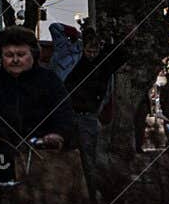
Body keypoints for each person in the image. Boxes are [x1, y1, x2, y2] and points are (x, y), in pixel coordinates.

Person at [0, 25, 75, 171]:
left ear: (33, 54)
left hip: (41, 158)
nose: (15, 60)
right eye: (9, 55)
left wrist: (58, 134)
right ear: (0, 56)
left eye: (21, 54)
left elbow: (64, 114)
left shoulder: (49, 81)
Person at [49, 22, 126, 191]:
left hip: (88, 116)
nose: (91, 55)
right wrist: (74, 33)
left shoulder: (103, 64)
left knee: (90, 159)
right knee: (61, 154)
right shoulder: (69, 53)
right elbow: (54, 28)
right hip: (65, 115)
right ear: (82, 47)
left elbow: (120, 58)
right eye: (88, 51)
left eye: (95, 51)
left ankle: (93, 193)